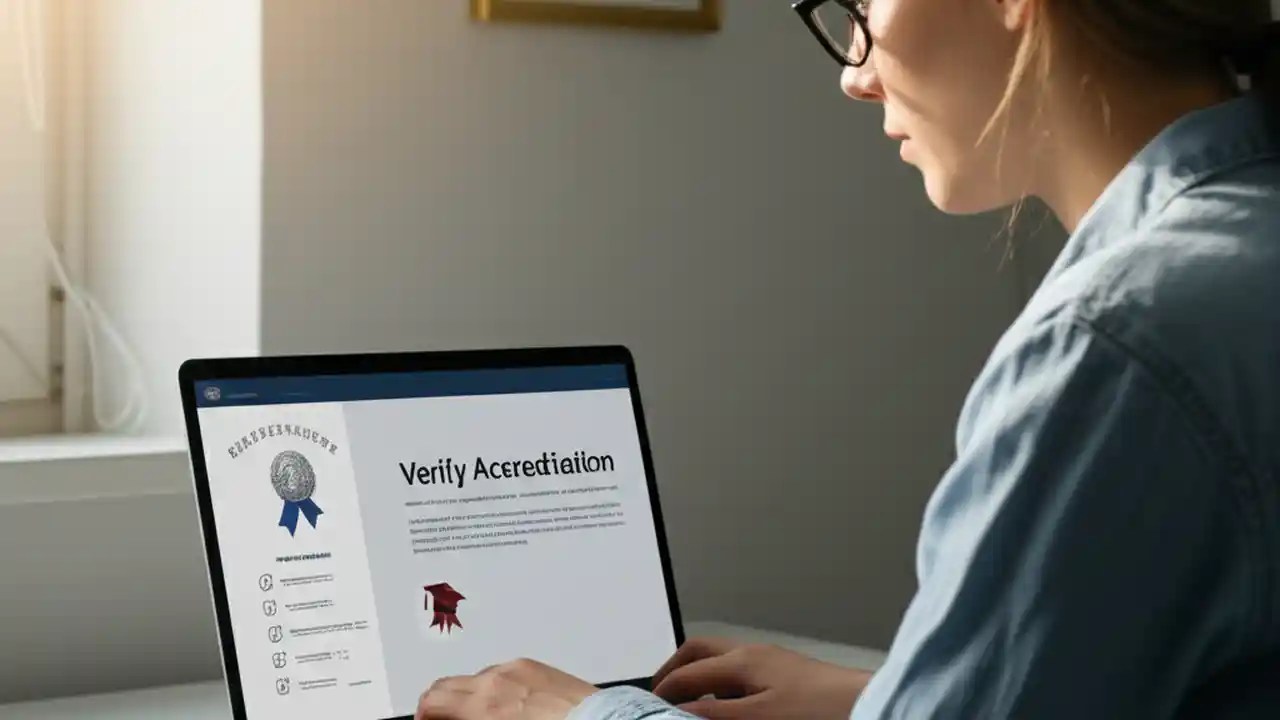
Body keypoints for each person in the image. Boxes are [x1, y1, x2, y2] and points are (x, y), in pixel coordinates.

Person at [416, 0, 1280, 717]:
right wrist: (884, 698)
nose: (856, 74)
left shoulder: (1116, 346)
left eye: (867, 4)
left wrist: (579, 715)